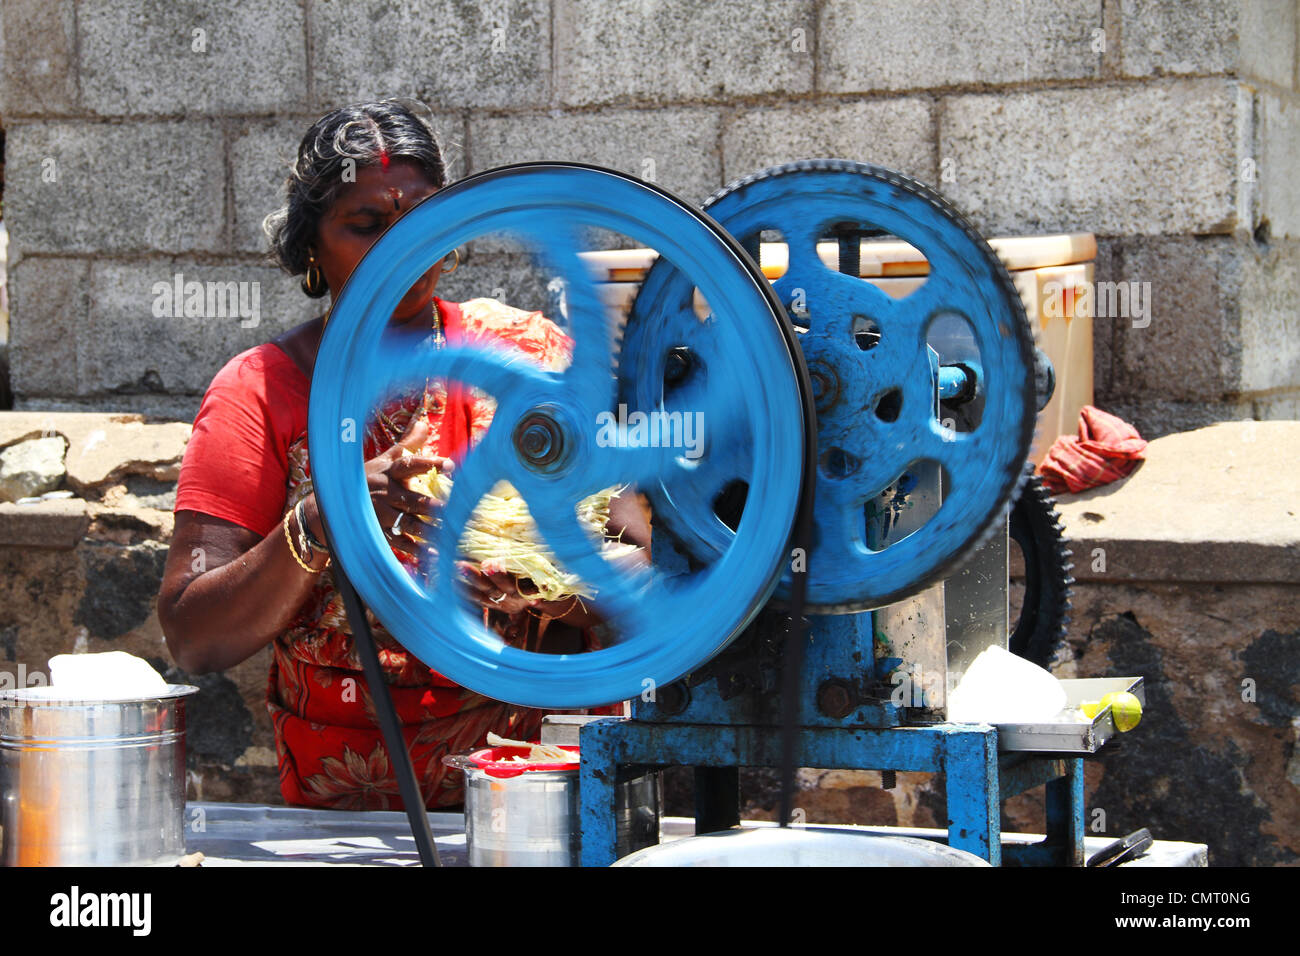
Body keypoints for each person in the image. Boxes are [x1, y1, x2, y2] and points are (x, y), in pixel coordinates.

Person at [159, 100, 647, 811]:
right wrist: (330, 519)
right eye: (366, 226)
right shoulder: (262, 394)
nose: (403, 247)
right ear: (311, 249)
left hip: (536, 794)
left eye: (421, 220)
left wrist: (537, 582)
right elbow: (194, 634)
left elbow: (646, 569)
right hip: (350, 813)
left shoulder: (528, 359)